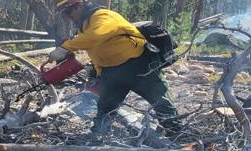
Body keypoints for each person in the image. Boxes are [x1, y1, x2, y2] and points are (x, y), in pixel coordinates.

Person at [49, 0, 180, 138]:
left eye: (69, 11)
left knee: (160, 101)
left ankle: (178, 135)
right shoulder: (85, 26)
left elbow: (97, 35)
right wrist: (97, 75)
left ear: (80, 5)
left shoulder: (103, 16)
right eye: (64, 14)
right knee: (106, 107)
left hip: (139, 66)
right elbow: (97, 52)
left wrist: (66, 47)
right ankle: (98, 137)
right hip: (112, 72)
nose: (68, 16)